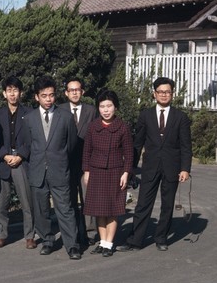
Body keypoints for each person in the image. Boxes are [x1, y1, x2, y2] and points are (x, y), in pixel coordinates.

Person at [117, 77, 192, 252]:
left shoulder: (180, 117)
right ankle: (135, 240)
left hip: (172, 167)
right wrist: (130, 169)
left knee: (167, 204)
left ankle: (161, 238)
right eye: (161, 92)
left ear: (172, 94)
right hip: (150, 167)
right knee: (143, 203)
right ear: (154, 94)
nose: (164, 95)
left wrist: (185, 168)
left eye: (167, 92)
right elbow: (137, 144)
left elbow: (186, 146)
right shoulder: (145, 115)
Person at [25, 75, 81, 260]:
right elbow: (27, 145)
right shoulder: (30, 118)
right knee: (41, 210)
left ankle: (72, 245)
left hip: (60, 171)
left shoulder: (65, 117)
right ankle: (47, 241)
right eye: (44, 95)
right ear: (36, 97)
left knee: (65, 209)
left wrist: (63, 163)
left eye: (51, 95)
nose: (48, 99)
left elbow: (72, 145)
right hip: (38, 172)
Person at [82, 89, 133, 257]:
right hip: (96, 171)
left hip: (115, 172)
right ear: (98, 108)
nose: (106, 110)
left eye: (109, 106)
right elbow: (86, 151)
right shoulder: (93, 126)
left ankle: (109, 244)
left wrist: (126, 173)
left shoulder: (122, 128)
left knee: (112, 210)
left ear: (115, 107)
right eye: (102, 106)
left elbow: (129, 153)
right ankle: (102, 242)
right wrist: (87, 171)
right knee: (99, 210)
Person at [0, 76, 36, 250]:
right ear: (4, 93)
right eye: (9, 90)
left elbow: (33, 139)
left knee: (26, 201)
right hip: (4, 160)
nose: (12, 94)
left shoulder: (29, 113)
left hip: (21, 160)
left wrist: (20, 155)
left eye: (15, 90)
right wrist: (4, 155)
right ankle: (2, 235)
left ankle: (30, 236)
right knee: (2, 202)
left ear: (21, 93)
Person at [59, 77, 97, 247]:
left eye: (77, 89)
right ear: (66, 93)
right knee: (70, 199)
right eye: (71, 90)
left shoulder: (91, 110)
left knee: (88, 197)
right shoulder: (59, 110)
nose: (74, 92)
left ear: (82, 92)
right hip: (66, 162)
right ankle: (73, 232)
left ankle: (89, 232)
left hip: (86, 162)